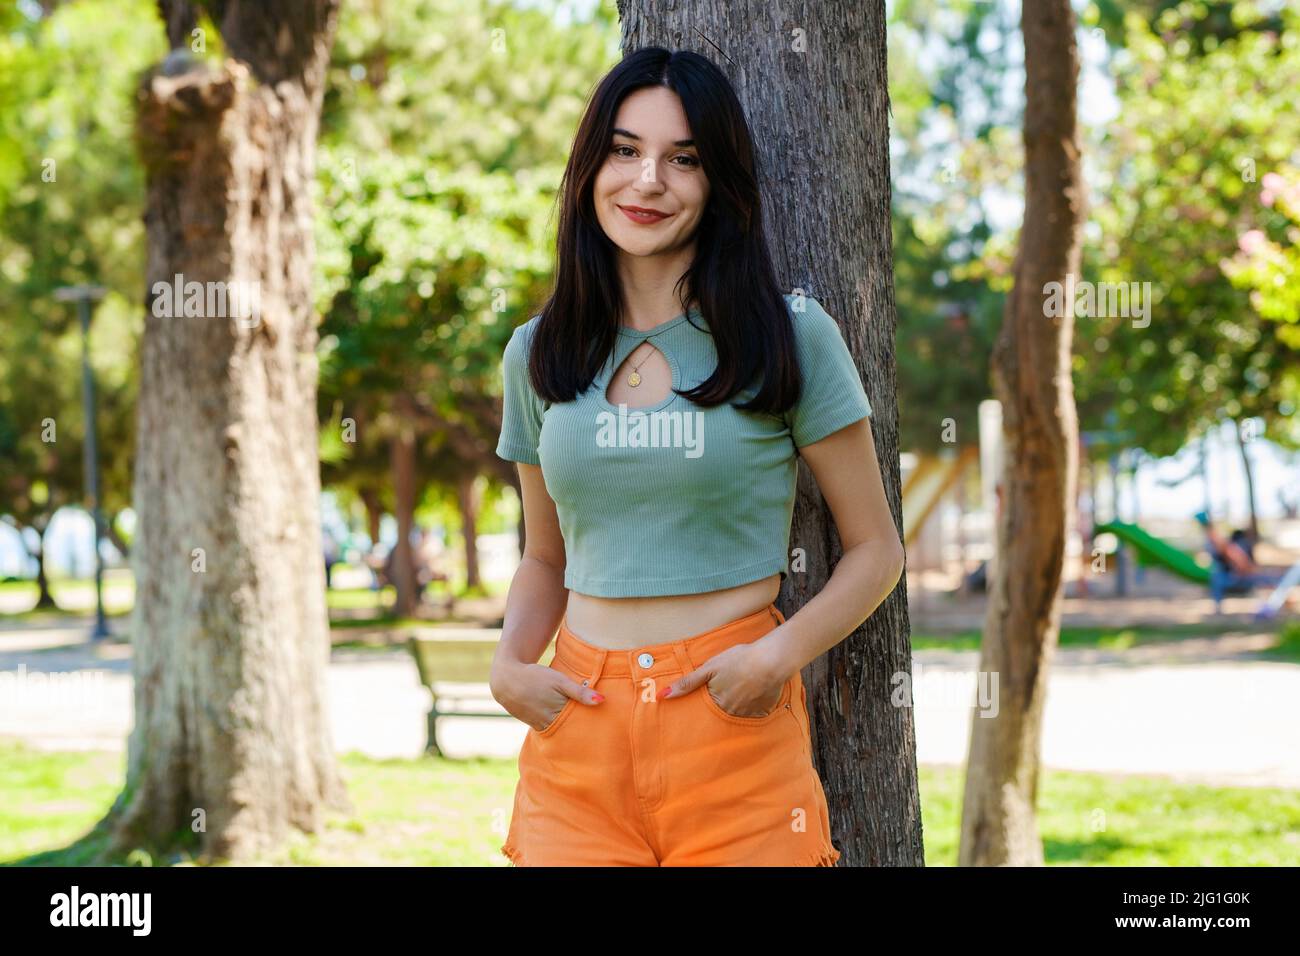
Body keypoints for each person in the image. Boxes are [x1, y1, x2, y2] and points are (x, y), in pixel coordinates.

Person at [488, 48, 905, 867]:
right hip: (578, 732)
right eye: (624, 150)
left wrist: (774, 658)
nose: (648, 181)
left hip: (732, 728)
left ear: (718, 185)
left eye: (684, 159)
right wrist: (507, 666)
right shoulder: (538, 352)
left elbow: (877, 551)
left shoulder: (789, 337)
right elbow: (546, 558)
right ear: (590, 167)